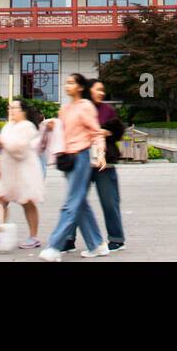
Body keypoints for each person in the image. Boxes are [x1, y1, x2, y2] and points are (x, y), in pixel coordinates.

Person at [38, 74, 107, 261]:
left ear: (80, 87)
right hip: (67, 159)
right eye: (66, 82)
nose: (67, 85)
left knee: (72, 202)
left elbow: (96, 132)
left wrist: (100, 153)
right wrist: (53, 126)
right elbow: (64, 133)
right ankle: (97, 245)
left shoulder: (86, 106)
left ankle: (54, 245)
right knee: (80, 202)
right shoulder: (64, 109)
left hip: (82, 157)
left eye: (71, 83)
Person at [64, 80, 126, 253]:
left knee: (109, 201)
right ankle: (68, 239)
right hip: (82, 161)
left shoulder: (107, 110)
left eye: (103, 90)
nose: (101, 93)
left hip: (103, 163)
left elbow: (118, 130)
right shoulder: (79, 107)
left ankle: (116, 239)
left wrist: (107, 132)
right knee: (76, 200)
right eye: (97, 89)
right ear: (88, 90)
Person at [0, 99, 46, 250]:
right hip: (8, 172)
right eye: (10, 107)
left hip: (24, 172)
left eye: (15, 108)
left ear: (23, 111)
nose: (11, 110)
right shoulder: (9, 125)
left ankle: (33, 236)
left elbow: (19, 149)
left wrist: (4, 142)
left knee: (27, 202)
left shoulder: (28, 127)